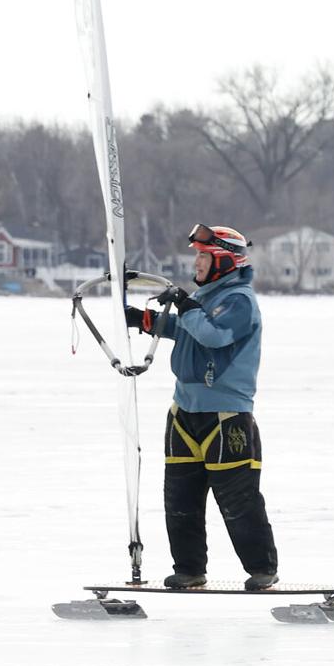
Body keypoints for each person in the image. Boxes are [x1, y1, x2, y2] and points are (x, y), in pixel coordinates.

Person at [126, 224, 279, 591]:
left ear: (224, 260)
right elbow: (188, 330)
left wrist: (186, 304)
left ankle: (262, 569)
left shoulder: (240, 300)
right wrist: (143, 320)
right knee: (180, 499)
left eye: (203, 255)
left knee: (238, 501)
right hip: (184, 413)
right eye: (196, 254)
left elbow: (213, 334)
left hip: (227, 417)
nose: (195, 262)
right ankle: (189, 569)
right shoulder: (208, 297)